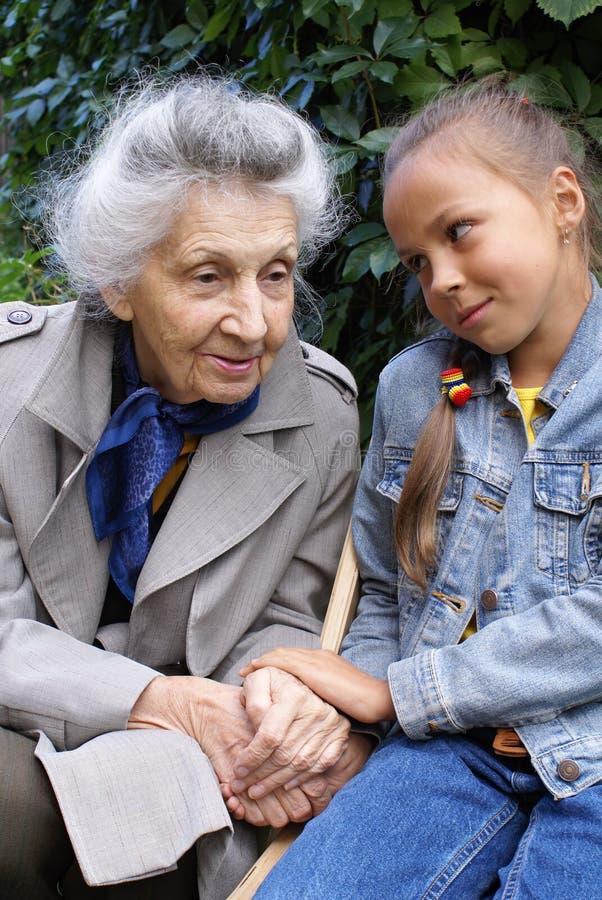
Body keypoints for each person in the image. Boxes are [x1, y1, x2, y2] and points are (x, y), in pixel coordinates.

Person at [0, 73, 362, 900]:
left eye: (276, 274)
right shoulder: (7, 386)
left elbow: (288, 617)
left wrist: (275, 712)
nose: (255, 323)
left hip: (202, 751)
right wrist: (157, 698)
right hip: (25, 720)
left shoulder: (322, 415)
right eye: (208, 276)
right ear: (118, 282)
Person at [242, 82, 602, 898]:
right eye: (416, 261)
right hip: (445, 751)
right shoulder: (415, 386)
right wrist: (357, 724)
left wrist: (396, 694)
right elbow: (381, 588)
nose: (440, 278)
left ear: (563, 200)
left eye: (460, 231)